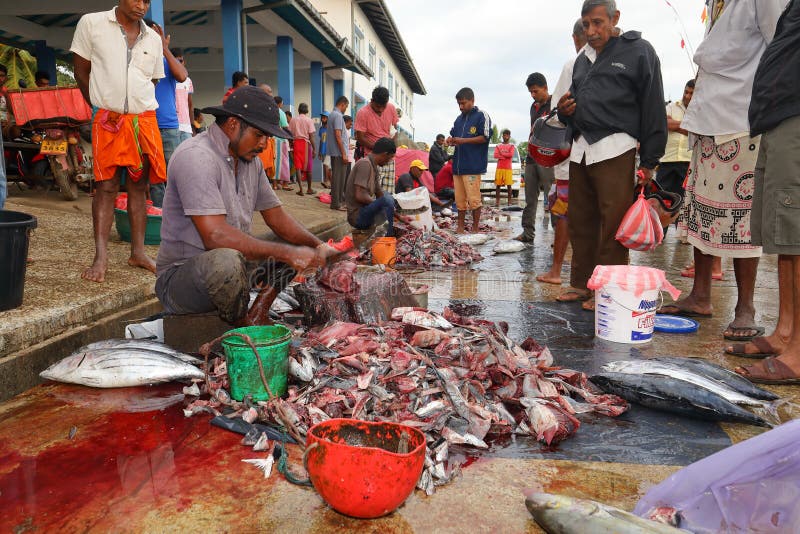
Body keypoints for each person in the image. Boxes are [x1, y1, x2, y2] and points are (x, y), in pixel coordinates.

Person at [156, 85, 335, 326]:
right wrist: (288, 254)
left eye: (267, 138)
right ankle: (242, 329)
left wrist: (318, 246)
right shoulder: (196, 157)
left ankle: (257, 312)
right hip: (182, 280)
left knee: (292, 241)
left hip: (236, 266)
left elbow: (277, 217)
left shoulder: (251, 161)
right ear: (232, 125)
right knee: (227, 262)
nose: (264, 145)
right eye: (259, 135)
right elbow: (215, 236)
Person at [668, 0, 786, 342]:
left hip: (742, 121)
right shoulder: (714, 3)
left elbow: (780, 47)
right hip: (707, 121)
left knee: (742, 218)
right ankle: (700, 295)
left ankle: (745, 308)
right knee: (702, 213)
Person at [557, 0, 667, 311]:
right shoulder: (582, 60)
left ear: (614, 18)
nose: (591, 31)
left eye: (597, 23)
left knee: (613, 223)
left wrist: (650, 160)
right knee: (580, 220)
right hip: (581, 150)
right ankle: (581, 283)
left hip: (616, 147)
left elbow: (653, 105)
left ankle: (606, 289)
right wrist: (565, 113)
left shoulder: (639, 51)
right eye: (586, 25)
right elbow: (573, 102)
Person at [71, 0, 167, 283]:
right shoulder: (92, 23)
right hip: (108, 121)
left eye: (147, 1)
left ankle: (138, 252)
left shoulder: (153, 37)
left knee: (140, 186)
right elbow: (80, 71)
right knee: (106, 187)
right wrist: (101, 108)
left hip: (143, 121)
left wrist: (133, 106)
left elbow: (154, 81)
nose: (142, 6)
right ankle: (100, 258)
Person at [735, 0, 800, 383]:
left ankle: (798, 349)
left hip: (794, 113)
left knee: (796, 229)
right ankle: (786, 332)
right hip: (777, 116)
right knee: (783, 232)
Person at [537, 18, 587, 286]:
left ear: (575, 38)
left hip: (572, 157)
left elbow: (556, 113)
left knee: (565, 214)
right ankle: (590, 278)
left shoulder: (574, 64)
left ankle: (557, 271)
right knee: (591, 216)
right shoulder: (607, 63)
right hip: (599, 158)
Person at [516, 72, 555, 242]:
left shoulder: (555, 104)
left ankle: (558, 237)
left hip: (548, 157)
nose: (533, 95)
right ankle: (528, 233)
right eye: (530, 92)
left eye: (535, 91)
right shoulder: (534, 107)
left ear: (545, 88)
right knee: (530, 198)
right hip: (532, 157)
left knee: (553, 199)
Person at [151, 30, 188, 207]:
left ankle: (178, 217)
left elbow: (182, 76)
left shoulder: (168, 62)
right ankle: (160, 217)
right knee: (155, 179)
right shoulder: (135, 62)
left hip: (168, 127)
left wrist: (165, 49)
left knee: (174, 175)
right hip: (144, 125)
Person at [447, 87, 491, 234]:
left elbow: (484, 137)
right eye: (459, 103)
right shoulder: (458, 120)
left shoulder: (481, 116)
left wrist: (463, 140)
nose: (461, 106)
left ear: (472, 101)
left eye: (464, 103)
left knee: (474, 199)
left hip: (473, 165)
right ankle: (460, 228)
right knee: (459, 200)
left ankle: (475, 228)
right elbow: (453, 136)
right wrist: (450, 140)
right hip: (458, 166)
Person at [345, 137, 401, 237]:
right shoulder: (365, 164)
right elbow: (359, 195)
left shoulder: (374, 167)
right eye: (390, 157)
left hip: (365, 212)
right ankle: (388, 237)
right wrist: (380, 205)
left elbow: (380, 194)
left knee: (387, 196)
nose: (389, 161)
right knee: (386, 199)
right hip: (357, 217)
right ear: (385, 154)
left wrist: (400, 217)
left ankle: (388, 235)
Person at [355, 86, 399, 191]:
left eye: (383, 107)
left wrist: (391, 147)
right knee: (371, 191)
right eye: (378, 106)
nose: (381, 110)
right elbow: (360, 137)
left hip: (389, 159)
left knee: (388, 193)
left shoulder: (391, 108)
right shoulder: (363, 113)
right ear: (372, 101)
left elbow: (395, 130)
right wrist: (378, 149)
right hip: (373, 159)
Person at [288, 103, 316, 196]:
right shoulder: (309, 120)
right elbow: (311, 136)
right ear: (306, 110)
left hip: (296, 143)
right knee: (309, 167)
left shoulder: (293, 120)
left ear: (299, 110)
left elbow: (289, 134)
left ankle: (301, 189)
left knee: (298, 167)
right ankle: (309, 188)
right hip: (306, 144)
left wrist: (291, 144)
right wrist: (314, 148)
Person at [327, 96, 350, 211]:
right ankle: (336, 203)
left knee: (338, 178)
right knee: (338, 178)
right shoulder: (337, 116)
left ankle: (338, 201)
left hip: (336, 152)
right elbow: (338, 135)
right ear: (343, 104)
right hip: (339, 153)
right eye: (346, 106)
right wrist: (344, 153)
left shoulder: (332, 114)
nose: (346, 108)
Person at [173, 49, 194, 141]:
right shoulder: (166, 80)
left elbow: (190, 104)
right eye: (176, 61)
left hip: (186, 127)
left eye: (181, 61)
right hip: (172, 126)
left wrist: (192, 125)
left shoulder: (188, 81)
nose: (179, 63)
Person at [273, 95, 292, 190]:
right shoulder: (281, 113)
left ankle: (275, 184)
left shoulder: (269, 111)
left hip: (272, 139)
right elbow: (285, 127)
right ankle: (284, 184)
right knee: (283, 162)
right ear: (280, 103)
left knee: (274, 161)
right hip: (280, 139)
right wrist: (290, 136)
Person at [494, 129, 515, 208]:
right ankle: (497, 202)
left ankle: (509, 202)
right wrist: (505, 155)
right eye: (504, 135)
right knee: (498, 185)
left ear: (509, 136)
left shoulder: (512, 146)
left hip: (508, 168)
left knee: (509, 185)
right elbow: (495, 155)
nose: (505, 137)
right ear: (502, 136)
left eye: (507, 135)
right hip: (499, 168)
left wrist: (502, 153)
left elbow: (511, 155)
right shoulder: (498, 145)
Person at [318, 111, 332, 188]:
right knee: (328, 167)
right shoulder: (321, 129)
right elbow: (321, 141)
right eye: (322, 117)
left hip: (329, 150)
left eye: (325, 117)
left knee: (326, 165)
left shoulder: (331, 129)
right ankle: (330, 183)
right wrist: (319, 152)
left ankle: (327, 181)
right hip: (323, 151)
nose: (323, 118)